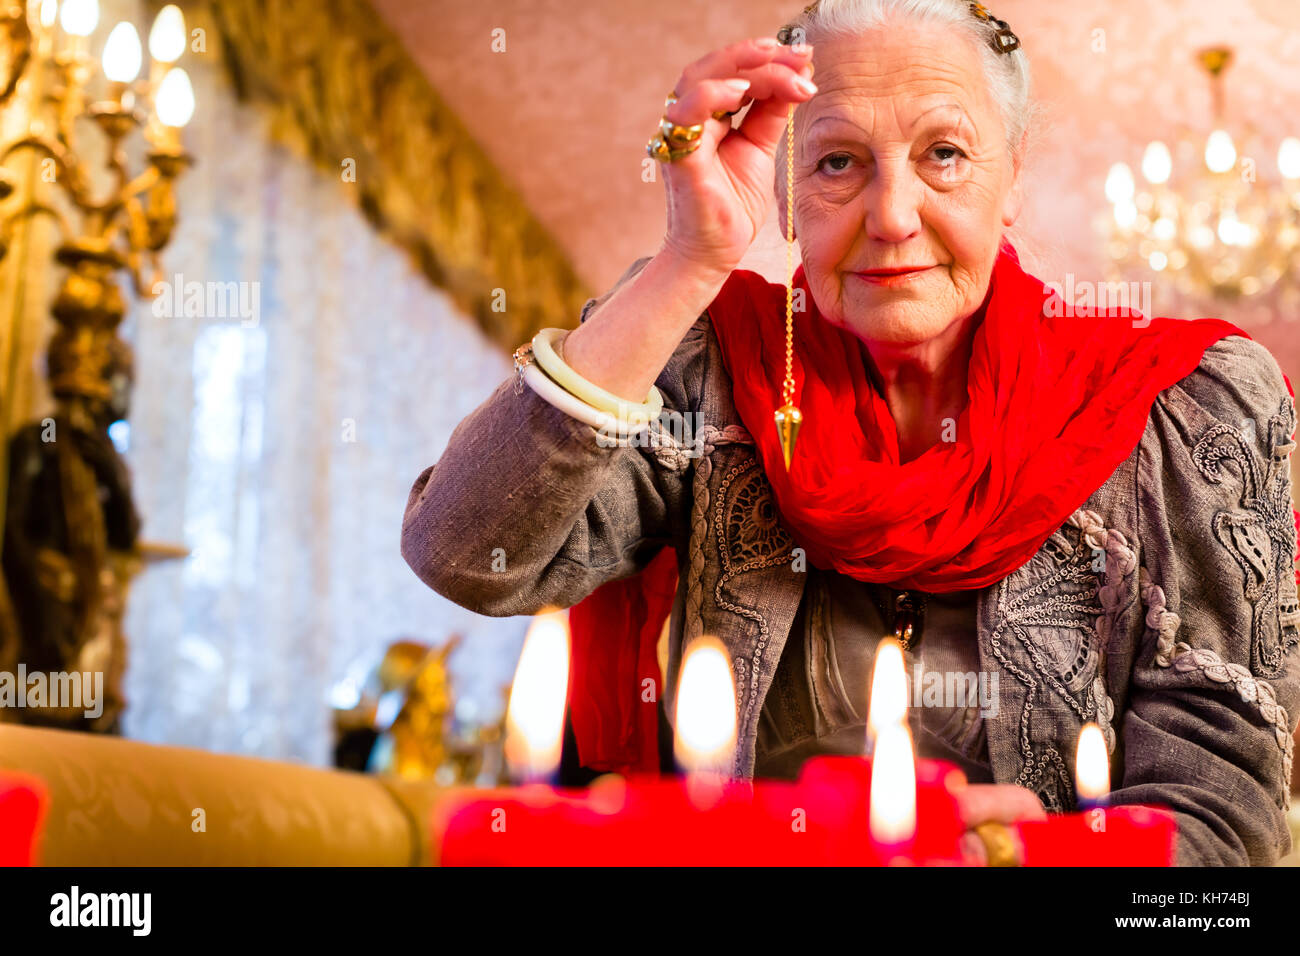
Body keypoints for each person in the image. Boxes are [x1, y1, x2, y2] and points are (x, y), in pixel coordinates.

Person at [402, 0, 1300, 866]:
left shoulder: (1182, 405)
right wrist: (687, 261)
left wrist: (1029, 854)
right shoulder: (708, 363)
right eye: (837, 162)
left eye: (944, 153)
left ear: (1014, 176)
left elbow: (1231, 824)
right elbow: (468, 551)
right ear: (788, 188)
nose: (893, 217)